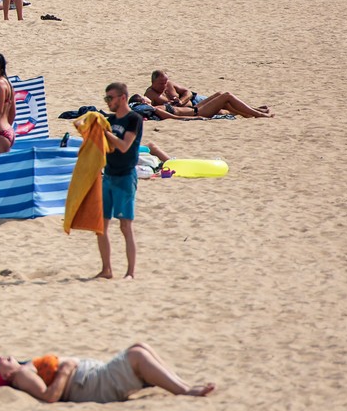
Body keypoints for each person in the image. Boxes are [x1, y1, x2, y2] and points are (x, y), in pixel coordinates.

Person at [0, 343, 215, 402]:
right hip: (92, 384)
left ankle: (181, 384)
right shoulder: (21, 376)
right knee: (137, 355)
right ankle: (184, 390)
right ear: (4, 376)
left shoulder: (24, 369)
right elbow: (49, 396)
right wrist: (65, 370)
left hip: (92, 377)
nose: (0, 357)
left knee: (140, 347)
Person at [97, 82, 143, 280]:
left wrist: (105, 132)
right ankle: (106, 269)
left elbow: (124, 146)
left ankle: (130, 272)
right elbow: (105, 147)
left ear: (122, 98)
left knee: (125, 226)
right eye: (106, 98)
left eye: (110, 98)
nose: (108, 102)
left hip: (125, 177)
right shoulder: (110, 120)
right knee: (100, 227)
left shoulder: (134, 119)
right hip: (108, 175)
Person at [141, 70, 272, 119]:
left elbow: (188, 92)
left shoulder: (169, 85)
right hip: (196, 111)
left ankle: (253, 111)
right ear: (153, 82)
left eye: (165, 82)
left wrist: (180, 101)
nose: (164, 85)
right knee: (225, 99)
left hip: (195, 106)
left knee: (222, 97)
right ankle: (258, 114)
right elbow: (162, 112)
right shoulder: (151, 96)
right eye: (161, 83)